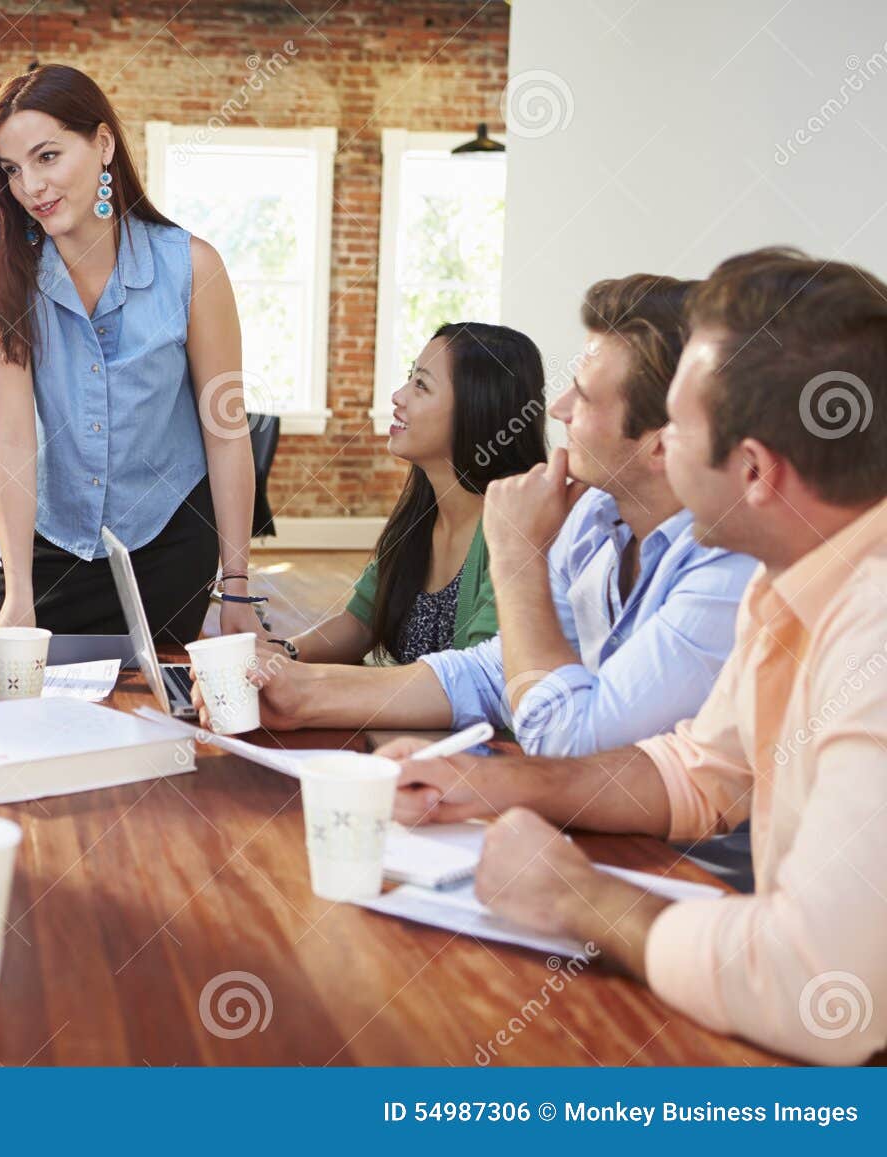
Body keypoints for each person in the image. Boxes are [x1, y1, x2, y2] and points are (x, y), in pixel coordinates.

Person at [381, 247, 887, 1066]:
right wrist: (493, 780)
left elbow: (813, 986)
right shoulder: (788, 578)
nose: (662, 449)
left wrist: (578, 896)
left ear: (754, 470)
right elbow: (699, 768)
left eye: (680, 428)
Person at [202, 274, 758, 757]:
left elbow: (567, 733)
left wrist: (518, 553)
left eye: (583, 398)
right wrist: (297, 685)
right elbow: (491, 675)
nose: (559, 410)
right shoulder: (593, 523)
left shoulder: (722, 569)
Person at [0, 62, 256, 675]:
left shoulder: (193, 269)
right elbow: (9, 440)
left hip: (168, 539)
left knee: (146, 711)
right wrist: (17, 595)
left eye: (47, 156)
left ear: (104, 144)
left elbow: (225, 432)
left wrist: (238, 586)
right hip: (51, 540)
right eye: (12, 170)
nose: (31, 186)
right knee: (6, 699)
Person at [261, 322, 546, 666]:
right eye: (411, 377)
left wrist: (310, 687)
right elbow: (359, 623)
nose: (398, 395)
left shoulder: (515, 530)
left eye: (422, 385)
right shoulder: (422, 513)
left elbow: (478, 680)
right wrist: (280, 653)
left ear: (478, 407)